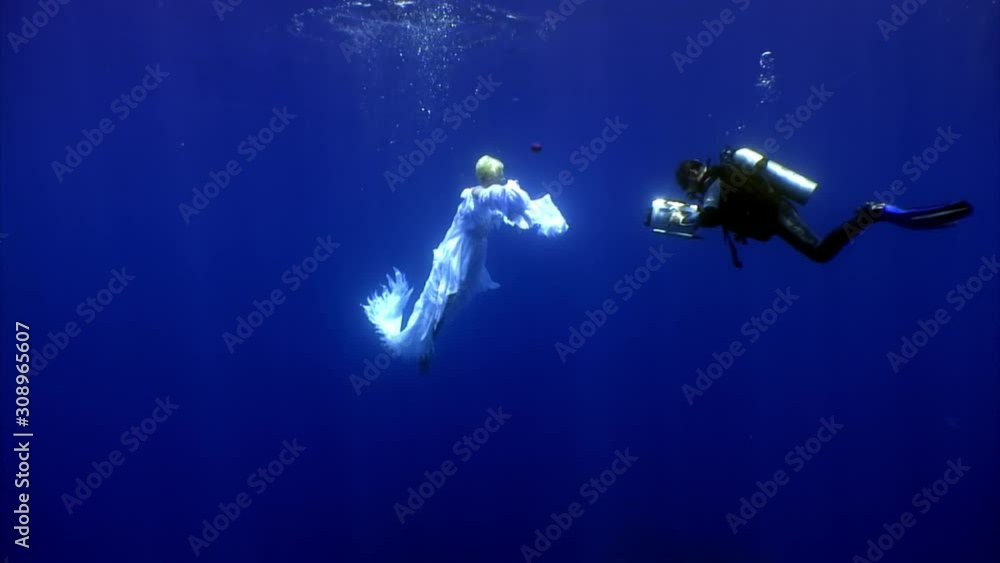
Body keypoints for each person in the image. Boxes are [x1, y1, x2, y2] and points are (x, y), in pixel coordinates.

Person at [363, 155, 569, 372]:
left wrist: (525, 215)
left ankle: (428, 342)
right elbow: (506, 198)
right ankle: (426, 343)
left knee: (453, 297)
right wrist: (518, 200)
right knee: (446, 294)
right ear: (488, 178)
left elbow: (505, 207)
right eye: (499, 176)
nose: (503, 179)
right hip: (459, 250)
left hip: (474, 250)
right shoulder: (482, 195)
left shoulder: (487, 197)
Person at [645, 147, 973, 266]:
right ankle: (873, 215)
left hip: (775, 214)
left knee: (820, 253)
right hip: (774, 215)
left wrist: (689, 219)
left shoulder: (715, 180)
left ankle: (873, 214)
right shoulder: (720, 178)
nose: (689, 192)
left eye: (687, 185)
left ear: (693, 174)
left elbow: (713, 215)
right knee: (820, 254)